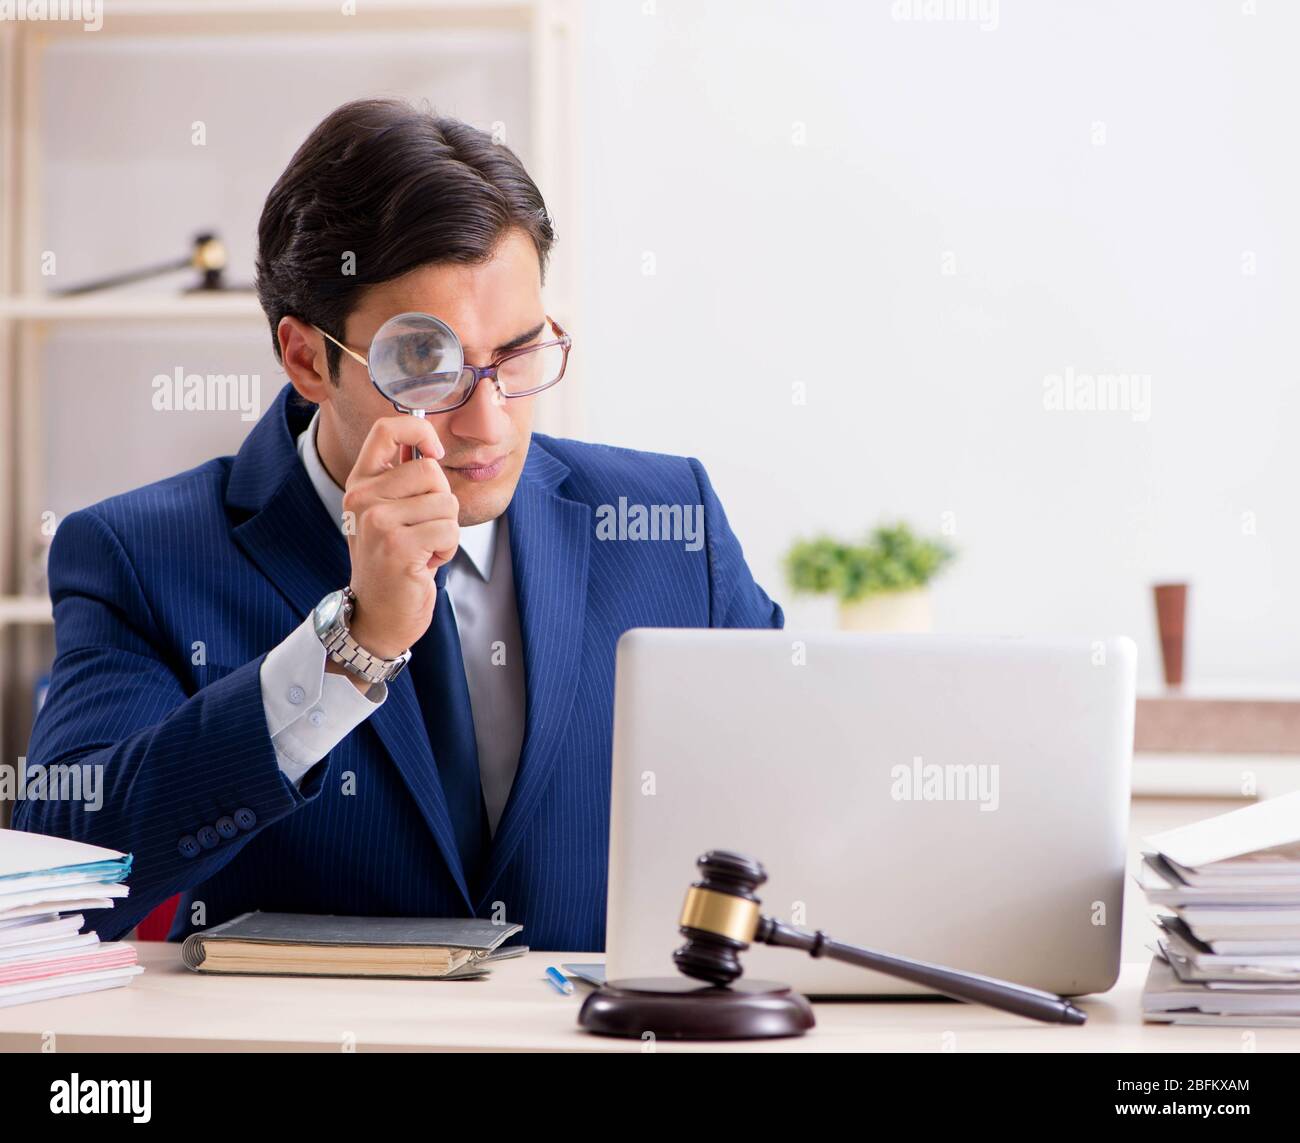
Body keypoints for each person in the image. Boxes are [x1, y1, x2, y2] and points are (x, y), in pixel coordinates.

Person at [15, 98, 782, 951]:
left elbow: (800, 785)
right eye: (426, 362)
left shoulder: (670, 522)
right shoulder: (140, 556)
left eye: (519, 351)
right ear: (307, 358)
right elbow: (61, 884)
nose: (488, 425)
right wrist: (348, 650)